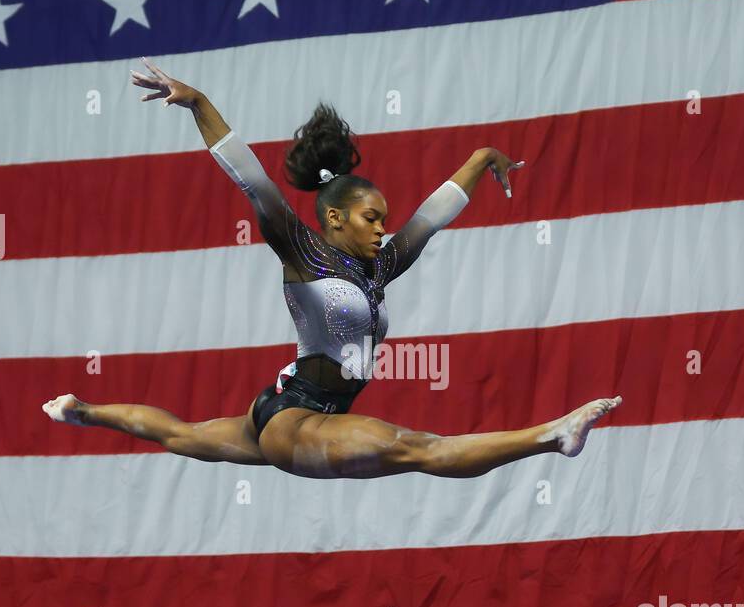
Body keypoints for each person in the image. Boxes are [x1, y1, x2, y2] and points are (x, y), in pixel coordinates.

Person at [42, 59, 620, 479]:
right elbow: (254, 181)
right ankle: (551, 435)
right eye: (371, 218)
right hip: (295, 419)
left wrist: (479, 159)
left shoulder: (381, 264)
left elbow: (430, 216)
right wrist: (198, 104)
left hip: (295, 406)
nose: (381, 228)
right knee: (419, 449)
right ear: (336, 217)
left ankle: (82, 411)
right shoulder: (302, 251)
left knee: (184, 436)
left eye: (383, 219)